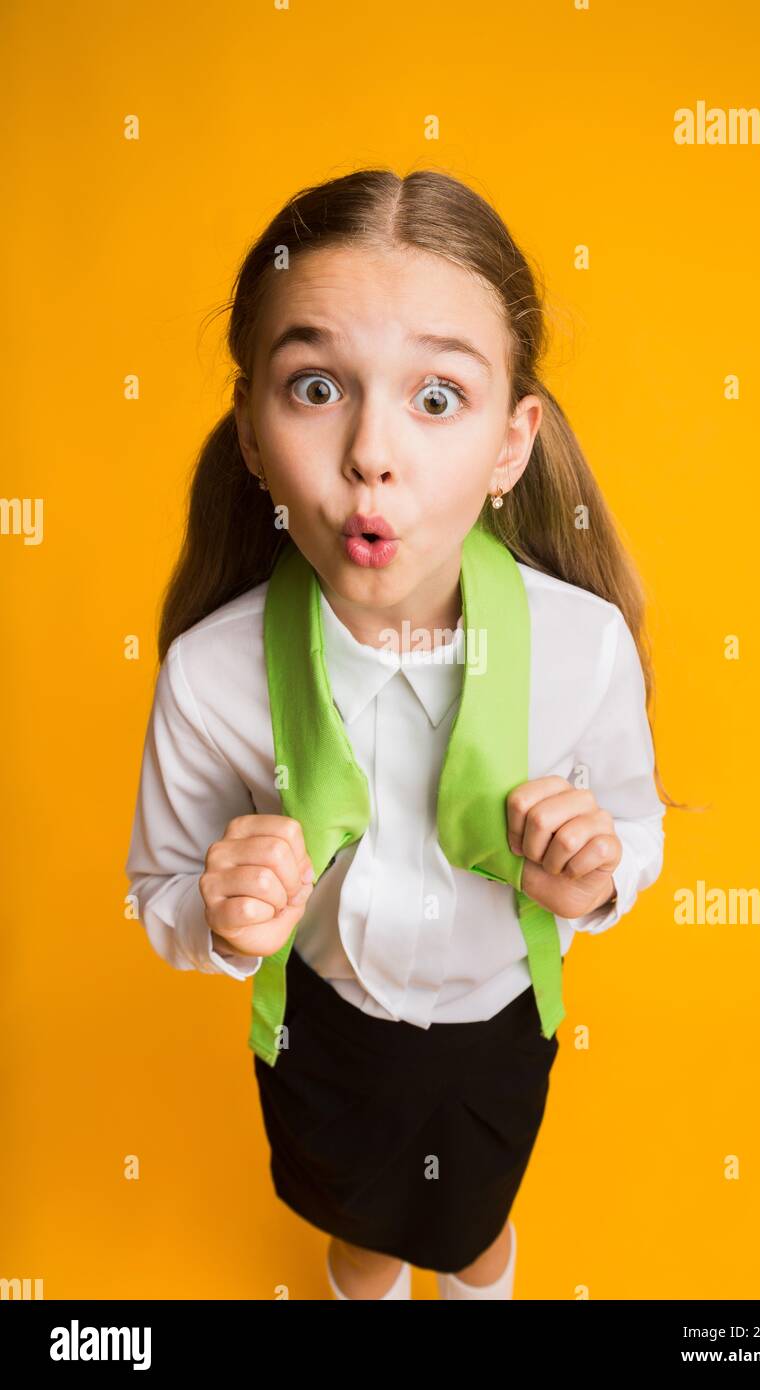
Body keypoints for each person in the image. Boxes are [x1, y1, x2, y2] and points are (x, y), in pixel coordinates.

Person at [124, 167, 673, 1300]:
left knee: (468, 1232)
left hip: (497, 1022)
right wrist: (219, 915)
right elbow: (159, 894)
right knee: (358, 1230)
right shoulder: (209, 676)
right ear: (250, 434)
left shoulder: (582, 648)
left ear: (510, 445)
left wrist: (594, 876)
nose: (372, 451)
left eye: (436, 398)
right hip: (327, 1028)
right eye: (316, 385)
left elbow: (634, 821)